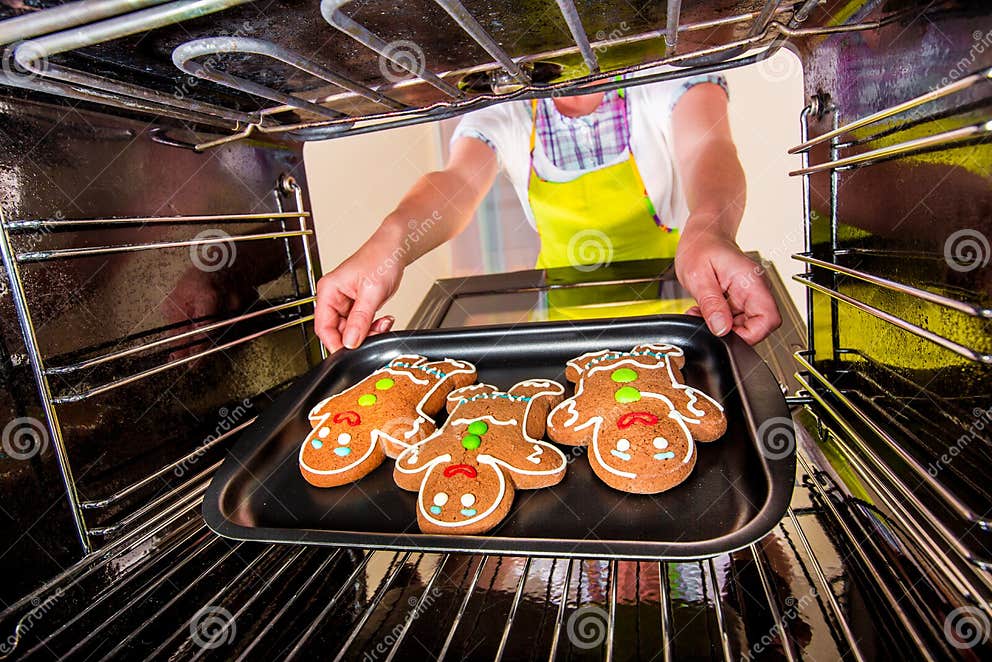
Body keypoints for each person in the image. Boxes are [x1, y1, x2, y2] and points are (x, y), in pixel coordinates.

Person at [314, 73, 782, 352]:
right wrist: (391, 241)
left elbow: (709, 145)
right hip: (565, 327)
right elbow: (455, 183)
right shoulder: (508, 108)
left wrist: (709, 227)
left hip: (683, 317)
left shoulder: (660, 76)